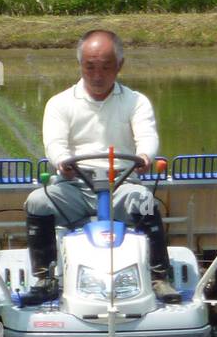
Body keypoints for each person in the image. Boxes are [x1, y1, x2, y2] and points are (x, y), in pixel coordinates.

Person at [24, 29, 174, 299]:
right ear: (80, 65)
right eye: (89, 67)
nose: (97, 75)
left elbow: (148, 137)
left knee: (145, 201)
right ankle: (44, 278)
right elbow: (55, 144)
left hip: (122, 183)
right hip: (75, 188)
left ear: (119, 66)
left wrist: (145, 156)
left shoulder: (136, 102)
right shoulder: (60, 103)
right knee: (38, 201)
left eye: (105, 67)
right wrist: (61, 162)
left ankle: (159, 278)